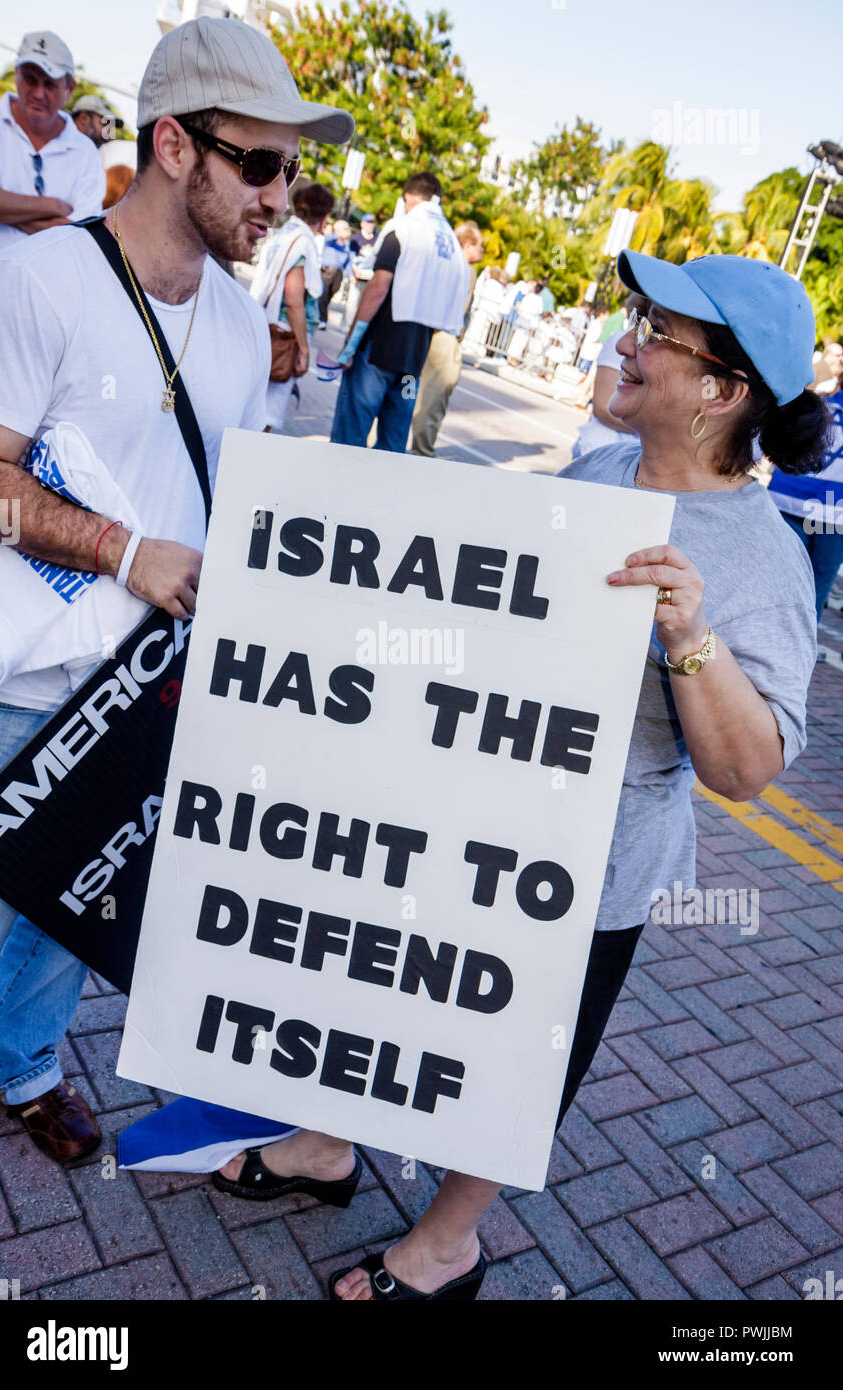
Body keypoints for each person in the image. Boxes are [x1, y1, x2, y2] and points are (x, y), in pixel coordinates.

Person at [215, 251, 822, 1302]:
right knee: (393, 997)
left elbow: (742, 771)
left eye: (653, 333)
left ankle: (448, 1243)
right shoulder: (596, 476)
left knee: (511, 1066)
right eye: (634, 316)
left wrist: (689, 636)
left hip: (584, 874)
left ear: (718, 393)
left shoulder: (759, 555)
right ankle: (326, 1145)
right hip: (469, 824)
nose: (621, 342)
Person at [0, 15, 352, 1164]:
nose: (282, 195)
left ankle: (25, 1061)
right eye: (259, 163)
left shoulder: (243, 326)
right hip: (19, 680)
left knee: (77, 910)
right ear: (175, 146)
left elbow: (239, 506)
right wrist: (117, 549)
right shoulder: (41, 277)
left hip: (153, 689)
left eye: (294, 169)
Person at [329, 171, 469, 453]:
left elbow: (379, 286)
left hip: (379, 346)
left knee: (349, 438)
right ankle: (381, 496)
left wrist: (351, 343)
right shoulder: (451, 242)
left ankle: (336, 491)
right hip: (414, 359)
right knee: (393, 442)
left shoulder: (404, 228)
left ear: (408, 197)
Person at [0, 30, 104, 268]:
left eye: (49, 84)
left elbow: (79, 237)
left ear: (69, 88)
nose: (38, 93)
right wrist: (52, 206)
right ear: (16, 75)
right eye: (30, 79)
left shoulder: (85, 152)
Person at [250, 181, 335, 430]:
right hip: (284, 335)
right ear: (324, 216)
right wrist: (304, 348)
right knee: (265, 416)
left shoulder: (285, 233)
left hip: (263, 324)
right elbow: (295, 298)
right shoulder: (303, 242)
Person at [768, 385, 843, 623]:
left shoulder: (820, 403)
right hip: (828, 508)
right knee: (815, 585)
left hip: (789, 497)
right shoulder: (821, 401)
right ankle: (796, 652)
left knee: (782, 580)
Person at [410, 220, 484, 455]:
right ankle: (422, 455)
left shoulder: (443, 262)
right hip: (443, 338)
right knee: (432, 404)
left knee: (408, 394)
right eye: (479, 245)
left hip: (425, 332)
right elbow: (459, 309)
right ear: (468, 244)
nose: (482, 250)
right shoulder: (466, 270)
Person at [572, 295, 640, 457]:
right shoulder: (623, 339)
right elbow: (603, 408)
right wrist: (654, 432)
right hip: (602, 449)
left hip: (628, 455)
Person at [318, 217, 353, 326]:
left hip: (338, 273)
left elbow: (349, 261)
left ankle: (320, 314)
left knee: (332, 292)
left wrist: (350, 274)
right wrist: (338, 233)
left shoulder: (346, 246)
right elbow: (327, 239)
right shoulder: (330, 240)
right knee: (324, 294)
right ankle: (322, 319)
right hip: (327, 269)